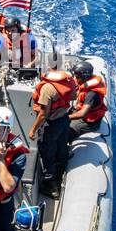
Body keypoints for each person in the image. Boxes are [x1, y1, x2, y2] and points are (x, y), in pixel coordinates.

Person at [27, 67, 76, 197]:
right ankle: (62, 168)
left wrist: (33, 130)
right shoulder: (68, 80)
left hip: (51, 124)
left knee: (46, 152)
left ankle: (51, 185)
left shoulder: (47, 89)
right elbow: (74, 96)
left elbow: (43, 114)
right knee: (61, 146)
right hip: (64, 119)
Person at [67, 60, 107, 137]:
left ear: (84, 77)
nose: (75, 78)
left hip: (89, 122)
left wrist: (66, 118)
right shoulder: (84, 83)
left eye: (77, 77)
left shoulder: (91, 94)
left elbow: (82, 113)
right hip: (81, 111)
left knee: (66, 132)